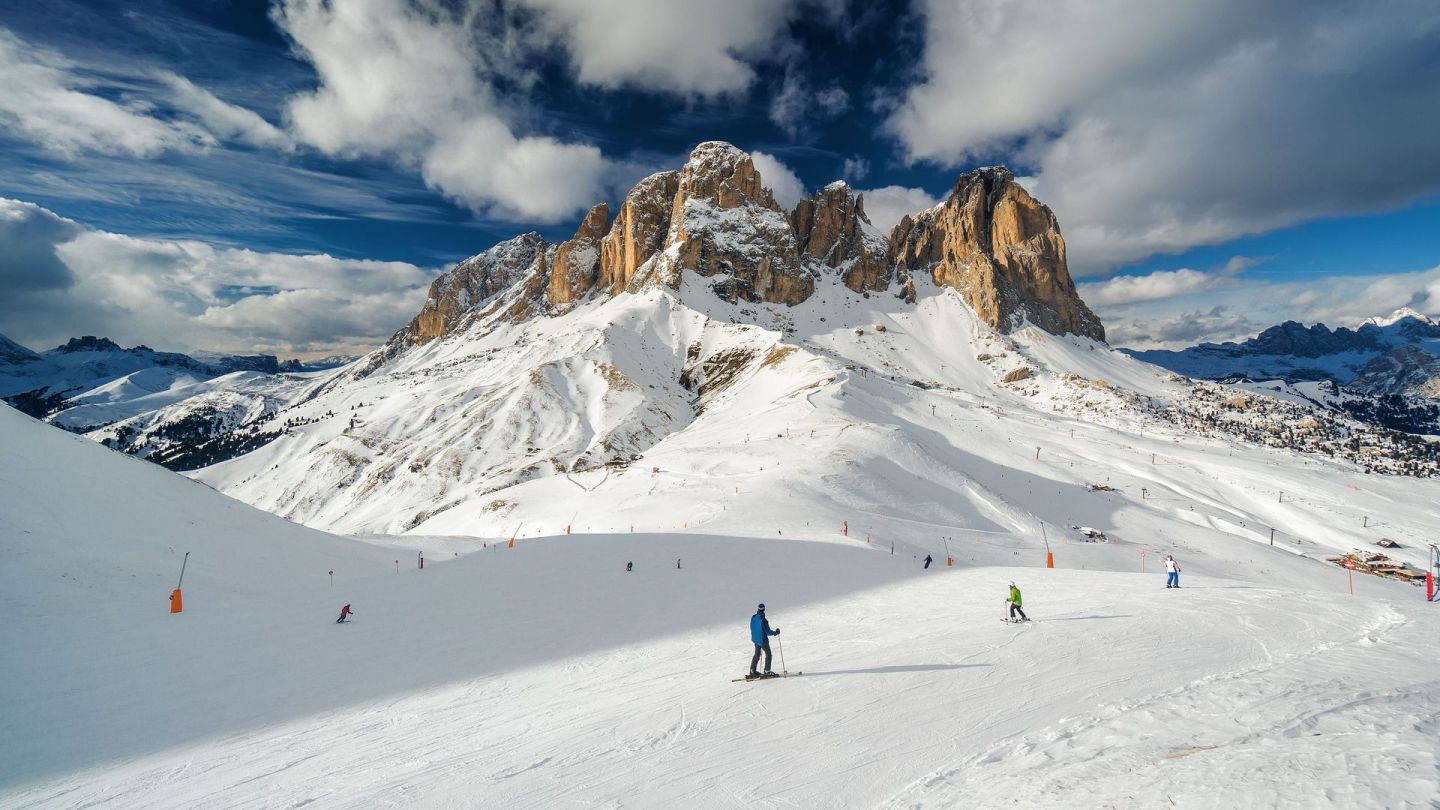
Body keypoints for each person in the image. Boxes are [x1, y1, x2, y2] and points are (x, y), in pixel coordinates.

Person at [749, 603, 780, 678]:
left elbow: (751, 627)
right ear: (764, 609)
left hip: (756, 639)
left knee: (757, 654)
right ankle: (767, 671)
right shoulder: (763, 620)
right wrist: (775, 633)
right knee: (768, 654)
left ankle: (752, 670)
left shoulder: (753, 617)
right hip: (762, 640)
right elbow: (768, 632)